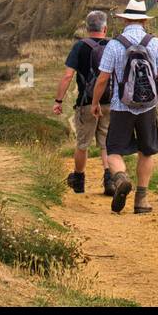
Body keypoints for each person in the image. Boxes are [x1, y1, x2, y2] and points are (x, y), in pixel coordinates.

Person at [89, 0, 158, 214]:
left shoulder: (115, 44)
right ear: (144, 20)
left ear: (125, 19)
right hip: (147, 107)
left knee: (114, 151)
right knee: (147, 151)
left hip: (120, 107)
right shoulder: (155, 43)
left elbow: (102, 79)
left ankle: (122, 178)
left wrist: (95, 102)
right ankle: (141, 201)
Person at [53, 10, 115, 195]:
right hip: (110, 102)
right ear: (105, 28)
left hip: (87, 103)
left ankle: (79, 181)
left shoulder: (79, 47)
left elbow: (67, 76)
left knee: (83, 144)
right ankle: (109, 180)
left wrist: (58, 100)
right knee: (106, 143)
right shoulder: (114, 45)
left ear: (87, 28)